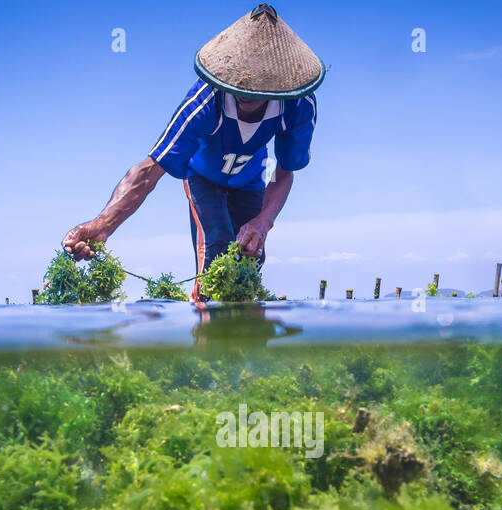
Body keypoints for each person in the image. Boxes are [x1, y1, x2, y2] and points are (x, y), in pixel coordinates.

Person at [62, 4, 322, 300]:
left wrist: (263, 223)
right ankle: (206, 331)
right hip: (202, 176)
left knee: (252, 256)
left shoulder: (299, 105)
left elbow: (285, 171)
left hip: (250, 179)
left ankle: (249, 337)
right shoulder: (204, 101)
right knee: (217, 248)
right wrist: (103, 225)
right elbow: (148, 171)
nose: (246, 96)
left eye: (257, 91)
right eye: (240, 88)